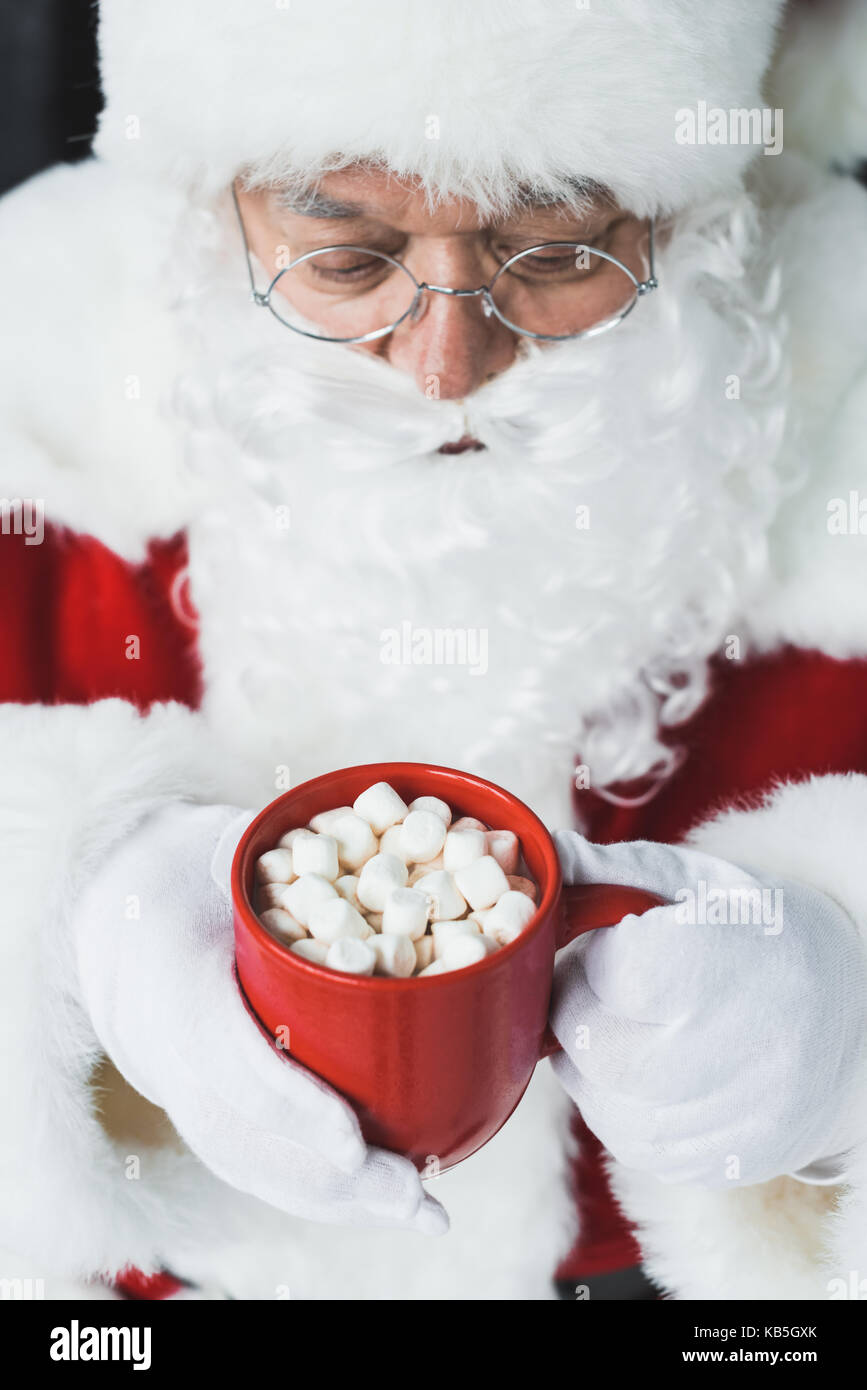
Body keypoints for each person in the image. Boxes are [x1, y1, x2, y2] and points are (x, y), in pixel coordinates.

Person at [1, 0, 867, 1301]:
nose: (447, 361)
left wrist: (852, 1044)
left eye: (559, 245)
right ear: (215, 208)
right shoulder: (33, 356)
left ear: (689, 214)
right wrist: (62, 927)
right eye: (347, 258)